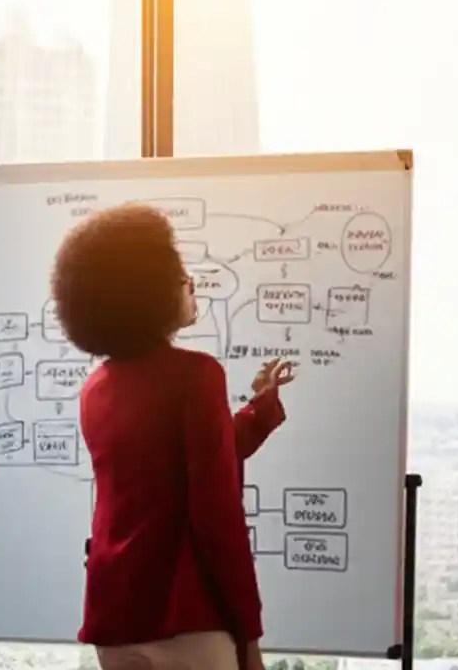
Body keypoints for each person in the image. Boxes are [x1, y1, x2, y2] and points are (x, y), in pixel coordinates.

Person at [51, 203, 296, 670]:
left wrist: (259, 407)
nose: (192, 284)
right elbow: (217, 512)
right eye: (182, 276)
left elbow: (182, 461)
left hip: (115, 617)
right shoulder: (196, 375)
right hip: (186, 617)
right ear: (151, 291)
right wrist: (249, 634)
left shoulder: (95, 387)